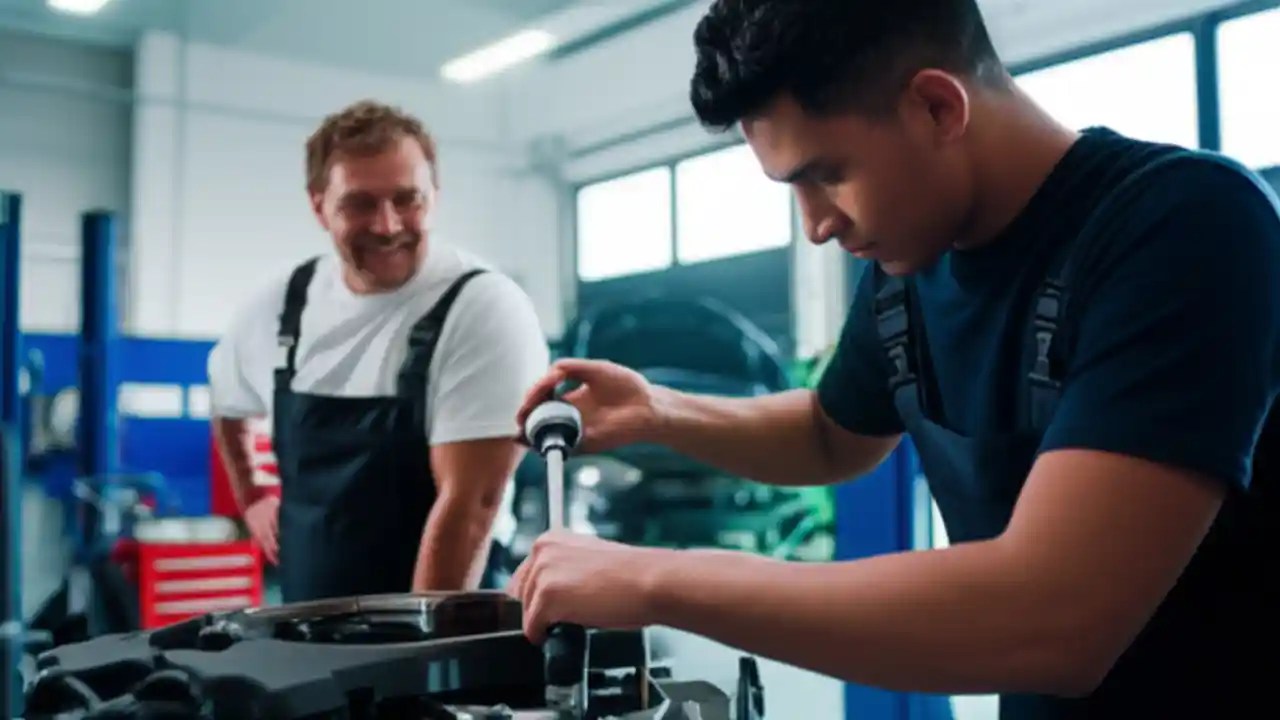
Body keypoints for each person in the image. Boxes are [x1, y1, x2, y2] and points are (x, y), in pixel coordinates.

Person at [507, 1, 1279, 717]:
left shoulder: (1185, 225)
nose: (814, 226)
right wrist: (660, 412)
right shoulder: (911, 264)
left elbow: (1054, 615)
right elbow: (831, 432)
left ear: (939, 106)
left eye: (826, 174)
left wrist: (652, 579)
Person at [209, 99, 549, 602]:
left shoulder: (484, 307)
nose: (388, 225)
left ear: (433, 195)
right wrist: (254, 496)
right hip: (305, 619)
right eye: (360, 203)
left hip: (445, 619)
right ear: (318, 204)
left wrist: (418, 662)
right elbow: (228, 402)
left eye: (407, 199)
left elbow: (470, 506)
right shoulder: (280, 304)